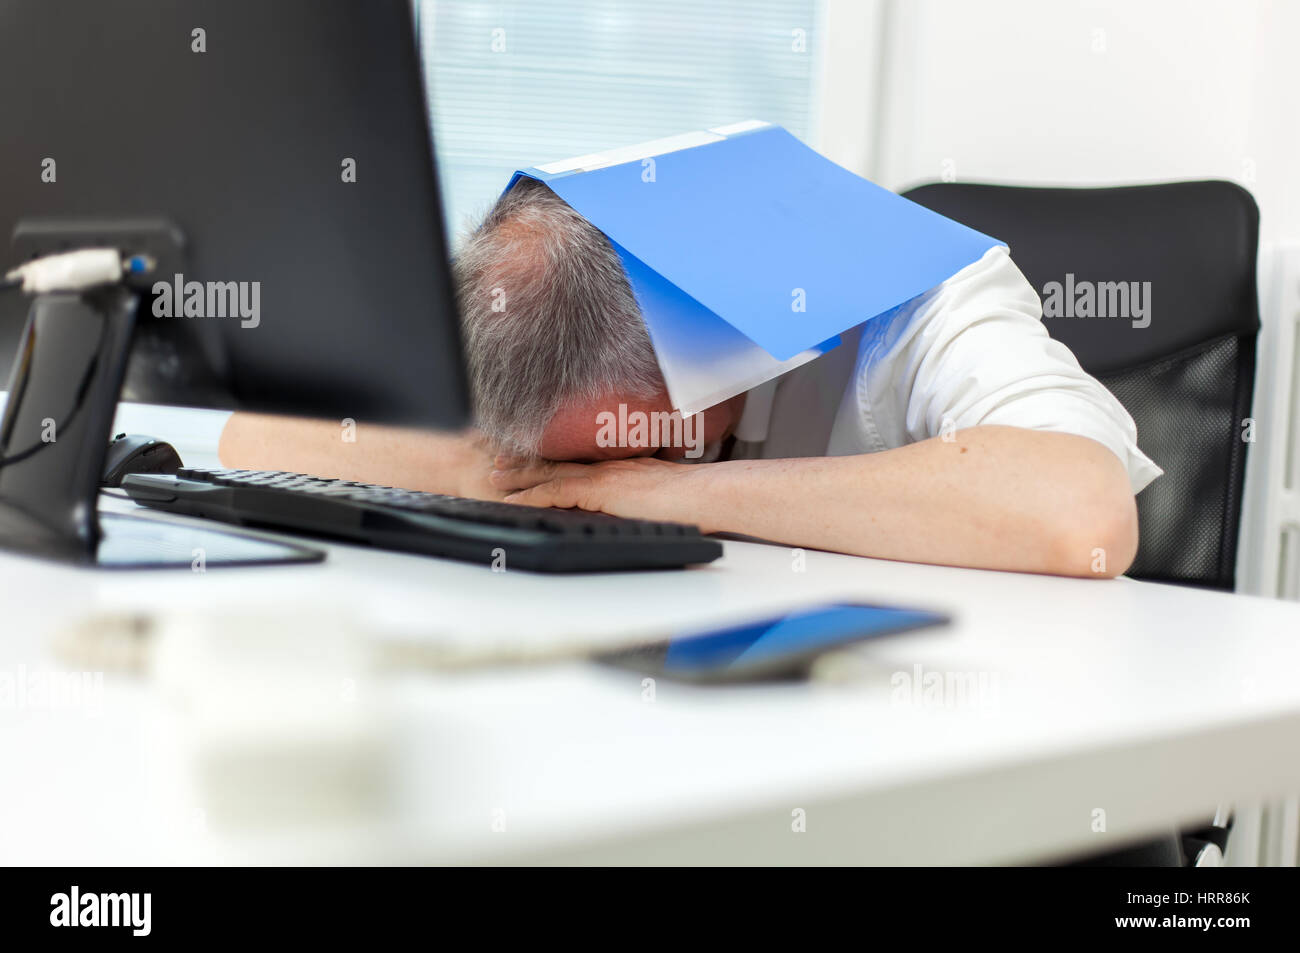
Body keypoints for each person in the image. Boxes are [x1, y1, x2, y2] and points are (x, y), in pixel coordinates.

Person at [220, 178, 1161, 577]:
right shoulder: (549, 307)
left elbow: (1082, 512)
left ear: (715, 377)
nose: (579, 486)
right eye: (565, 466)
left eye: (601, 455)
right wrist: (489, 475)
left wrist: (672, 491)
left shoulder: (928, 297)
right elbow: (253, 438)